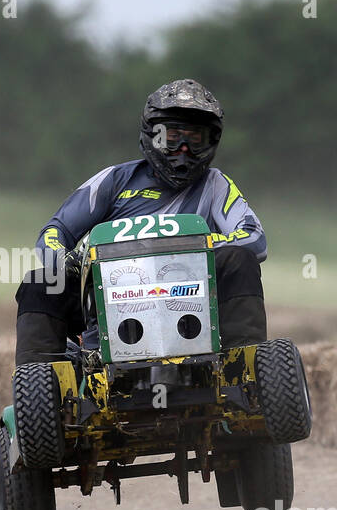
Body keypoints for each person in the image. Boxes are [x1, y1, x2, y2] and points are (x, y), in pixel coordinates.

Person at [14, 78, 268, 365]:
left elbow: (254, 238)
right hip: (106, 302)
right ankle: (45, 383)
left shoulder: (215, 184)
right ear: (152, 134)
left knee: (239, 259)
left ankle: (245, 371)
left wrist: (197, 245)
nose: (183, 149)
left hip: (190, 301)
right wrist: (66, 260)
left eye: (194, 139)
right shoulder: (115, 179)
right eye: (172, 137)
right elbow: (54, 231)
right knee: (41, 282)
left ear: (211, 141)